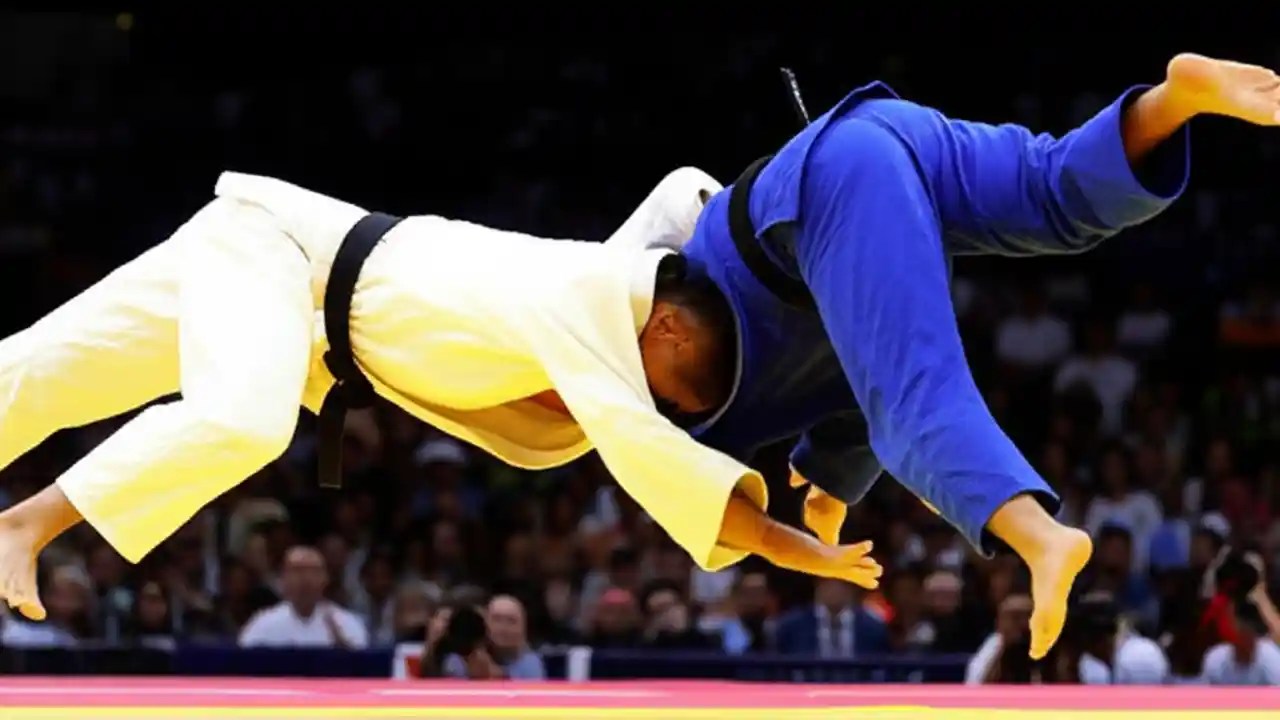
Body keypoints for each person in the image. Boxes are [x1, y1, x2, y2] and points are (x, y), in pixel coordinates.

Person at [0, 168, 883, 621]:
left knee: (35, 373)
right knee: (243, 421)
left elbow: (689, 193)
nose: (664, 409)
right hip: (282, 258)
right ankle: (27, 524)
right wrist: (795, 548)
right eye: (673, 393)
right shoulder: (589, 309)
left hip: (290, 286)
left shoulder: (616, 290)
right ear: (673, 335)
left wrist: (790, 257)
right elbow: (663, 470)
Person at [676, 52, 1280, 661]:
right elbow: (855, 360)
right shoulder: (697, 313)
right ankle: (1174, 100)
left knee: (917, 399)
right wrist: (834, 476)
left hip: (830, 184)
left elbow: (732, 502)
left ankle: (1043, 539)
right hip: (881, 130)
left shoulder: (658, 400)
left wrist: (808, 546)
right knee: (1052, 188)